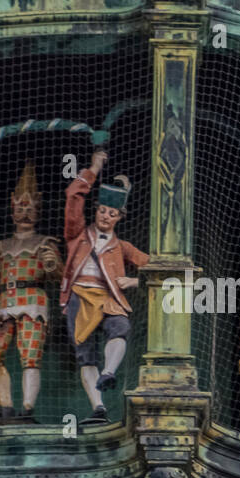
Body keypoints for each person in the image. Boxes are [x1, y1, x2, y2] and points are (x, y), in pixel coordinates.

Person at [0, 163, 62, 422]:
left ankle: (27, 409)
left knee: (29, 354)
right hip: (4, 302)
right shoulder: (2, 246)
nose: (24, 212)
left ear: (38, 210)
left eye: (30, 207)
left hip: (33, 299)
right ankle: (5, 407)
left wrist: (52, 264)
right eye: (20, 207)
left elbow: (59, 276)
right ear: (12, 208)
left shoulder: (45, 243)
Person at [59, 150, 149, 424]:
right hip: (79, 296)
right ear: (96, 210)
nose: (105, 217)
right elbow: (73, 195)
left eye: (112, 213)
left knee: (120, 326)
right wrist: (94, 167)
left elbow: (158, 266)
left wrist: (135, 280)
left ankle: (109, 371)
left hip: (109, 296)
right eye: (101, 210)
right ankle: (98, 408)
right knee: (85, 354)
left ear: (119, 217)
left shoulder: (122, 247)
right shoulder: (77, 234)